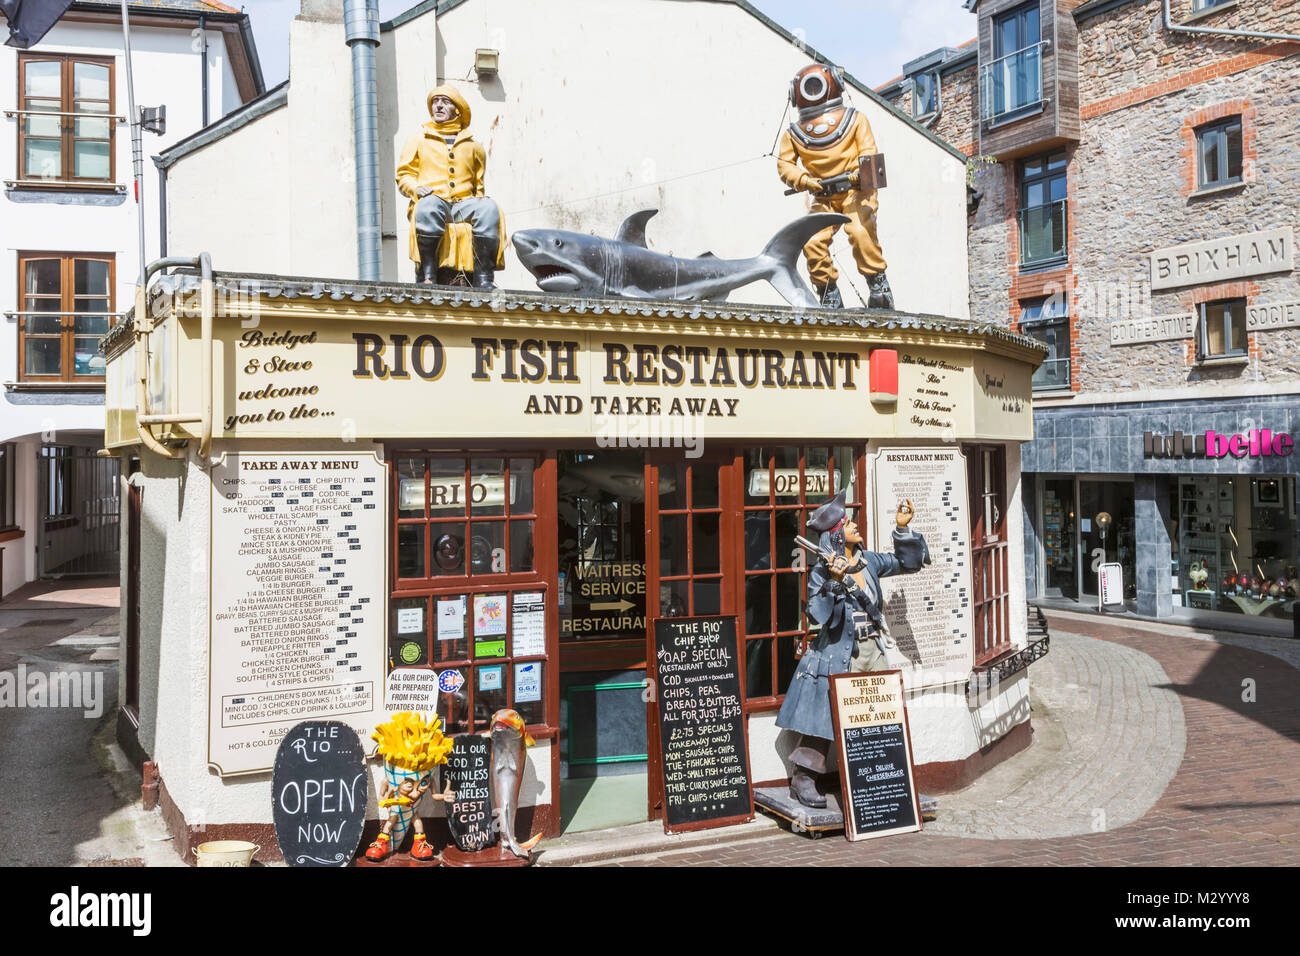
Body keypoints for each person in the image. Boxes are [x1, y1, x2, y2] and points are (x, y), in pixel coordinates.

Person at [776, 491, 929, 808]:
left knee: (878, 713)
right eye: (848, 523)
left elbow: (909, 563)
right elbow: (818, 617)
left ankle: (877, 778)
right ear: (836, 534)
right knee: (826, 715)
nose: (855, 525)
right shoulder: (822, 570)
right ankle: (804, 777)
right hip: (839, 652)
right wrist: (832, 582)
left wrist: (903, 529)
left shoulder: (869, 561)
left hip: (872, 648)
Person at [776, 63, 894, 310]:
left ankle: (878, 284)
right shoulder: (794, 134)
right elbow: (785, 166)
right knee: (812, 241)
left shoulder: (855, 120)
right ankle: (828, 292)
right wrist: (805, 180)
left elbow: (869, 155)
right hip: (824, 196)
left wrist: (858, 177)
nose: (812, 90)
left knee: (860, 232)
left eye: (816, 85)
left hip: (855, 192)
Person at [396, 85, 503, 289]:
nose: (438, 106)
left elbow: (478, 185)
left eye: (445, 101)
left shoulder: (474, 146)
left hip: (463, 205)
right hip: (434, 201)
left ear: (457, 108)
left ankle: (484, 277)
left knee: (489, 208)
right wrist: (416, 188)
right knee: (428, 207)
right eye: (435, 102)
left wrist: (478, 201)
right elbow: (404, 175)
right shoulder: (418, 139)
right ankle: (427, 274)